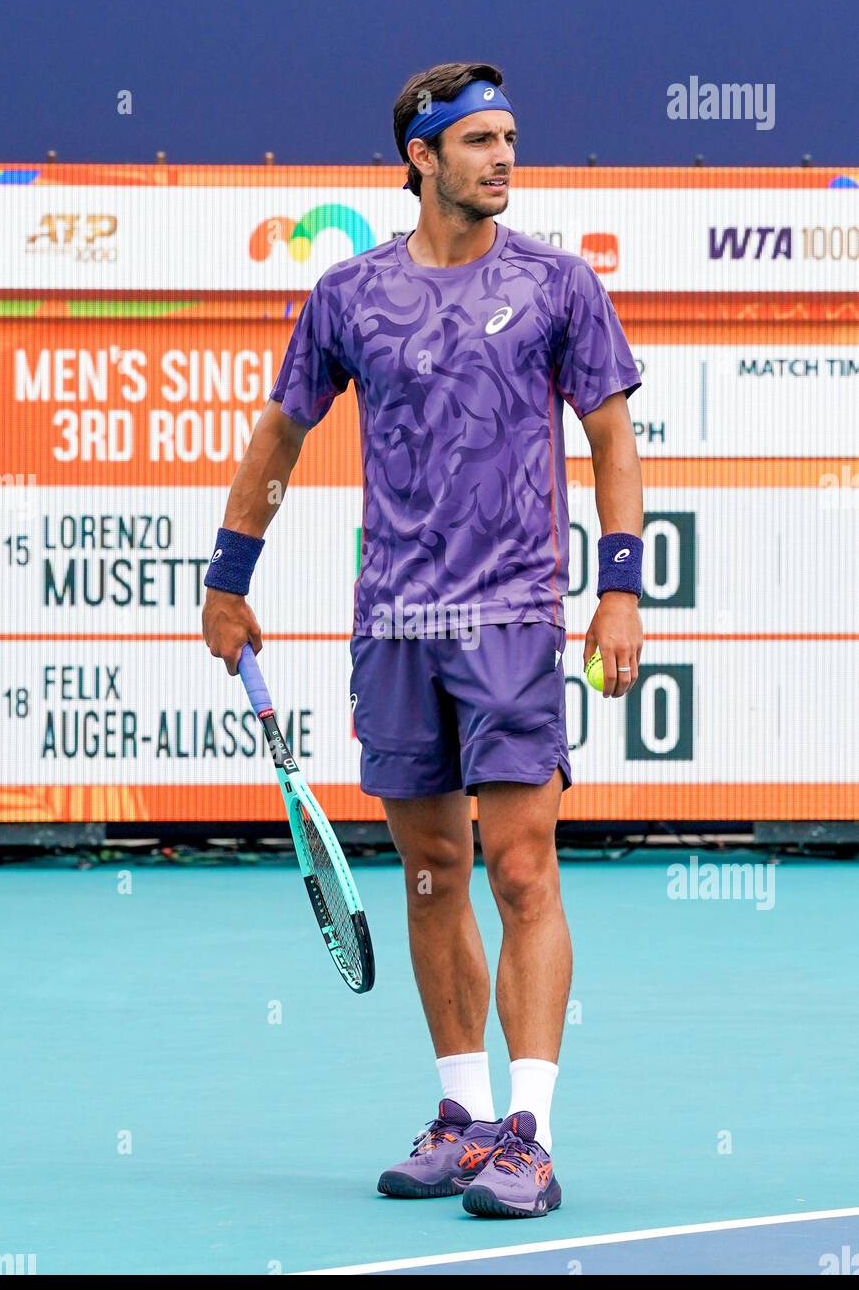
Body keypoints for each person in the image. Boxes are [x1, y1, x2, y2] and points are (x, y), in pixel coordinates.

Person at [202, 60, 644, 1219]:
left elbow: (609, 438)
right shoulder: (348, 296)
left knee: (520, 866)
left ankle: (529, 1137)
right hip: (393, 621)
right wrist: (227, 580)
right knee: (432, 870)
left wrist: (619, 591)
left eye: (509, 138)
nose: (503, 158)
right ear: (420, 156)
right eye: (478, 140)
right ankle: (462, 1115)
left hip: (510, 615)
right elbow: (279, 435)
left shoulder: (556, 285)